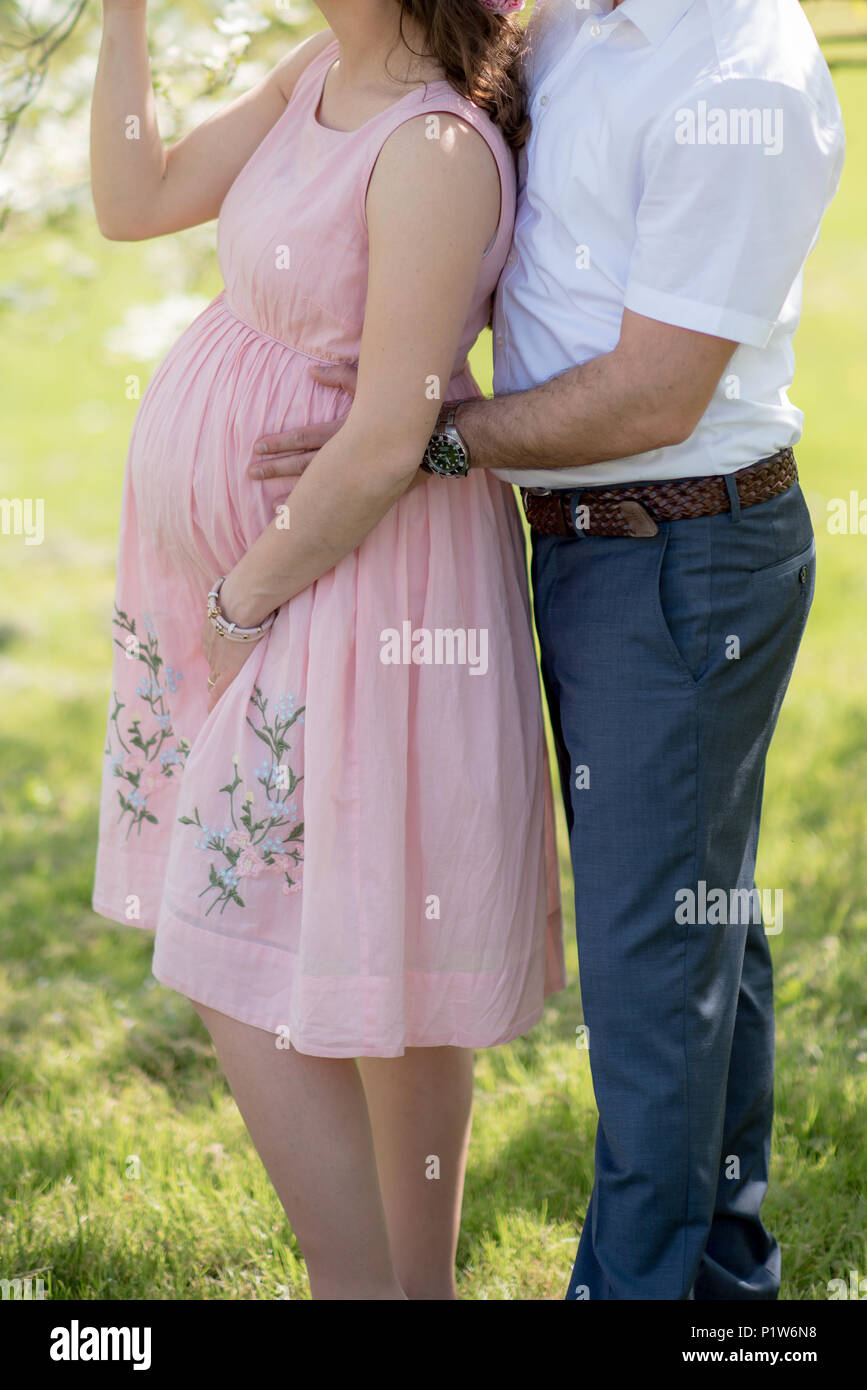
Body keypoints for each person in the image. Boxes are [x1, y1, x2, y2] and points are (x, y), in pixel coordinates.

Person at [255, 0, 846, 1299]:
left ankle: (632, 1289)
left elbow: (654, 389)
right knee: (704, 934)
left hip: (682, 552)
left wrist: (432, 439)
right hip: (596, 541)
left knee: (651, 984)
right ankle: (724, 1283)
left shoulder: (741, 71)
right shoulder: (575, 19)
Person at [90, 0, 565, 1302]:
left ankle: (373, 1288)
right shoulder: (319, 72)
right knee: (353, 936)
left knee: (279, 932)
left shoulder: (433, 150)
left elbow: (384, 436)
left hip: (358, 586)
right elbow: (135, 199)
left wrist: (241, 604)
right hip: (281, 579)